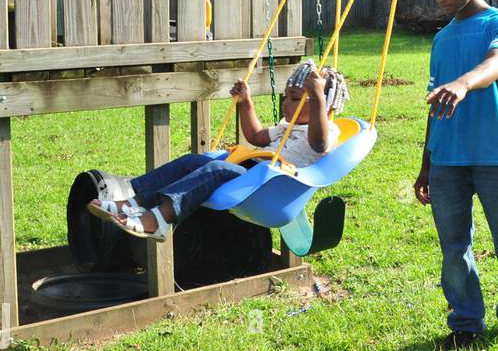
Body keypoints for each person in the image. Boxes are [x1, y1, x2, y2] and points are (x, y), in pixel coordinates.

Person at [89, 61, 347, 239]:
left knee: (216, 169)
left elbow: (320, 144)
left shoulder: (326, 132)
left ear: (321, 105)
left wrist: (318, 101)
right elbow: (255, 136)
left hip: (270, 187)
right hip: (251, 174)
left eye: (296, 98)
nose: (285, 103)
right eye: (286, 95)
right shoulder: (286, 127)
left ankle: (158, 221)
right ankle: (133, 202)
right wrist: (245, 103)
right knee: (192, 161)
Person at [414, 0, 498, 351]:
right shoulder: (442, 39)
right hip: (446, 160)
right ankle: (466, 324)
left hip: (493, 155)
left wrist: (464, 82)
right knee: (454, 247)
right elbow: (435, 102)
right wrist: (426, 164)